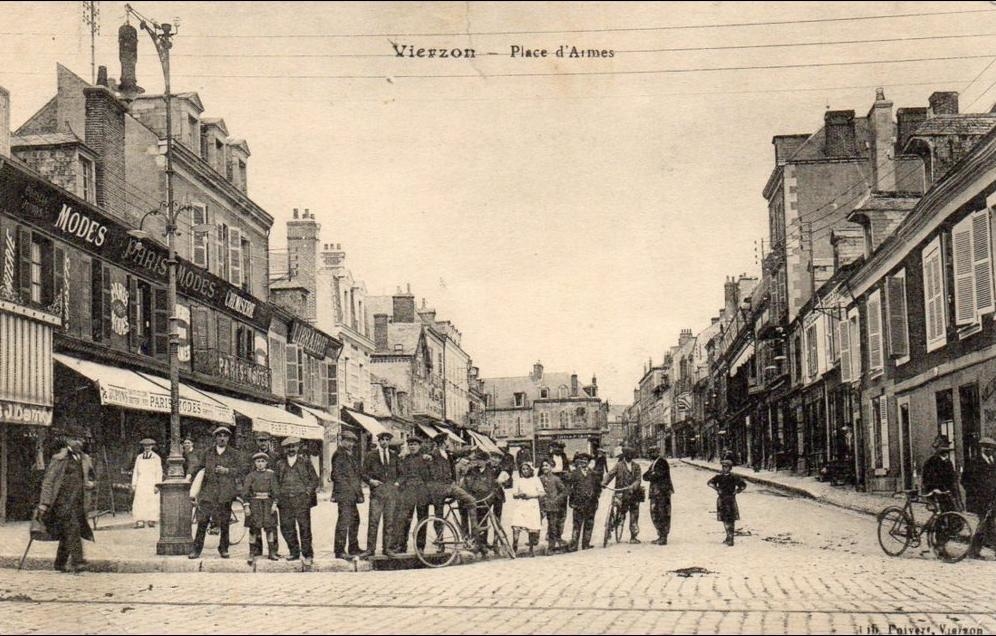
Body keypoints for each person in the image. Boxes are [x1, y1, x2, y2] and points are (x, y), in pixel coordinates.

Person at [36, 423, 96, 573]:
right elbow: (48, 482)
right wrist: (44, 503)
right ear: (67, 440)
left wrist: (91, 484)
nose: (78, 442)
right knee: (73, 528)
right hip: (61, 502)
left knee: (67, 532)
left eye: (81, 439)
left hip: (78, 502)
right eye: (75, 439)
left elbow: (93, 478)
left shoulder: (86, 459)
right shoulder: (59, 459)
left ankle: (60, 563)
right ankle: (78, 561)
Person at [187, 425, 245, 559]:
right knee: (203, 521)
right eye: (220, 436)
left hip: (225, 493)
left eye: (225, 436)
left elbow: (242, 471)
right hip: (208, 492)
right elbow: (198, 467)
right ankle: (196, 550)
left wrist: (228, 471)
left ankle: (223, 548)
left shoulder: (234, 453)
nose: (222, 438)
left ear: (229, 438)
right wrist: (189, 476)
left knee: (224, 522)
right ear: (216, 438)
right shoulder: (207, 453)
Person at [274, 437, 319, 566]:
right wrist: (278, 496)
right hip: (285, 500)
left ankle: (308, 554)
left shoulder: (305, 461)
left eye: (293, 446)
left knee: (304, 528)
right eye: (288, 447)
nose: (291, 449)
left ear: (298, 447)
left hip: (301, 500)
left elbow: (314, 479)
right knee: (287, 528)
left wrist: (307, 492)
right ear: (284, 449)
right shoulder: (280, 464)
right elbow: (275, 482)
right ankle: (294, 552)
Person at [389, 436, 432, 556]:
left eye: (415, 444)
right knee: (405, 519)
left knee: (422, 519)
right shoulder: (405, 459)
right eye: (410, 444)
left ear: (419, 446)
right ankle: (402, 545)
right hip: (408, 492)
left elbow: (430, 476)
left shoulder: (426, 458)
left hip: (422, 492)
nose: (412, 446)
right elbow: (402, 475)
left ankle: (420, 547)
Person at [362, 431, 399, 557]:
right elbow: (363, 473)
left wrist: (397, 483)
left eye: (387, 440)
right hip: (377, 493)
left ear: (389, 442)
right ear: (379, 441)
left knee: (389, 522)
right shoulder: (371, 455)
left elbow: (402, 473)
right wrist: (370, 481)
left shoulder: (394, 455)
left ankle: (387, 549)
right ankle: (370, 549)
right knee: (373, 521)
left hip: (391, 493)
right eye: (382, 440)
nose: (384, 442)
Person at [330, 430, 364, 559]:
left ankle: (353, 547)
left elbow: (356, 475)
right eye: (348, 441)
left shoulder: (349, 455)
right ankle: (339, 551)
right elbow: (337, 475)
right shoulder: (339, 454)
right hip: (344, 495)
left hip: (351, 495)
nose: (350, 444)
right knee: (344, 522)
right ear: (341, 441)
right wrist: (349, 491)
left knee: (355, 520)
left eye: (352, 442)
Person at [243, 452, 281, 564]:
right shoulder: (251, 476)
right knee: (253, 529)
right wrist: (246, 506)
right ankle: (251, 553)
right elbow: (245, 492)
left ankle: (272, 552)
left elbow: (276, 491)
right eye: (258, 461)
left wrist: (275, 504)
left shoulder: (271, 475)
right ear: (255, 463)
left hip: (268, 504)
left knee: (269, 528)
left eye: (262, 461)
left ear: (266, 463)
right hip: (254, 504)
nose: (260, 464)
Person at [601, 446, 643, 543]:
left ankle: (633, 536)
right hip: (620, 492)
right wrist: (604, 482)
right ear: (624, 455)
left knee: (634, 515)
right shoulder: (619, 465)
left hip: (633, 494)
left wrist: (633, 486)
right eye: (627, 454)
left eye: (631, 455)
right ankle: (610, 527)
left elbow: (638, 479)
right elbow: (610, 474)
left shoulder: (636, 466)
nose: (629, 456)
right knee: (616, 508)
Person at [564, 452, 601, 550]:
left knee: (589, 523)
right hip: (578, 503)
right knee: (576, 524)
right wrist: (571, 501)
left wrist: (596, 498)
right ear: (579, 462)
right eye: (582, 460)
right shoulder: (574, 474)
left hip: (591, 503)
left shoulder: (593, 474)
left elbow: (598, 488)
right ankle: (574, 545)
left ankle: (586, 544)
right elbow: (570, 488)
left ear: (589, 462)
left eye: (586, 460)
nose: (583, 462)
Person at [507, 462, 545, 556]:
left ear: (531, 470)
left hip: (532, 504)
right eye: (523, 469)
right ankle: (514, 546)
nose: (525, 471)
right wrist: (520, 494)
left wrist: (532, 495)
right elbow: (514, 494)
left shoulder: (536, 480)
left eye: (527, 469)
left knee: (532, 527)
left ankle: (531, 549)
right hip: (521, 504)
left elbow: (542, 493)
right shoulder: (518, 480)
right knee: (516, 525)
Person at [967, 437, 996, 559]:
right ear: (982, 448)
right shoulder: (974, 462)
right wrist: (977, 493)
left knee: (989, 524)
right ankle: (973, 551)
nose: (989, 449)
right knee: (985, 524)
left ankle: (974, 551)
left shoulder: (994, 461)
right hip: (981, 500)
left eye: (991, 448)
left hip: (993, 499)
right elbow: (966, 481)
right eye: (986, 447)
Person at [707, 459, 747, 546]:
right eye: (723, 467)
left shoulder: (734, 477)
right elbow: (709, 483)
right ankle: (728, 536)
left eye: (726, 467)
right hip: (722, 500)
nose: (724, 468)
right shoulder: (719, 477)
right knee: (724, 519)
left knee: (731, 519)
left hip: (730, 500)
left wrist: (737, 491)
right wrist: (717, 489)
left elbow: (743, 485)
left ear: (730, 468)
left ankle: (730, 538)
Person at [922, 435, 962, 513]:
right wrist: (934, 490)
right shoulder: (931, 462)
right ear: (937, 449)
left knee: (954, 516)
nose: (945, 450)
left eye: (946, 446)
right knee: (941, 517)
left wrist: (957, 496)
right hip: (936, 494)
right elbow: (927, 479)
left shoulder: (948, 462)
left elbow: (952, 480)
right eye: (942, 447)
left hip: (948, 494)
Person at [644, 449, 675, 545]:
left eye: (652, 453)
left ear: (657, 453)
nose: (650, 455)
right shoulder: (654, 463)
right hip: (655, 492)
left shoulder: (662, 462)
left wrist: (652, 475)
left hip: (662, 492)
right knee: (655, 513)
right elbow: (645, 476)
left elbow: (658, 475)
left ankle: (663, 537)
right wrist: (651, 474)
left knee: (663, 513)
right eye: (650, 453)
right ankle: (660, 535)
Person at [130, 438, 162, 528]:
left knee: (152, 500)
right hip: (141, 482)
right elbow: (136, 471)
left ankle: (152, 520)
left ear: (152, 446)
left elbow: (159, 472)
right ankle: (140, 520)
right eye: (145, 446)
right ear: (143, 447)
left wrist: (157, 485)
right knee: (140, 501)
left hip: (152, 481)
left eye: (149, 445)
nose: (147, 447)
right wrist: (134, 484)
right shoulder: (139, 457)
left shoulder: (156, 457)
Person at [538, 458, 568, 550]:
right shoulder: (540, 479)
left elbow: (564, 491)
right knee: (535, 523)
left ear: (551, 467)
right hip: (541, 505)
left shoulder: (556, 479)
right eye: (543, 466)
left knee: (552, 526)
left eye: (546, 465)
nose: (544, 468)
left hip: (552, 505)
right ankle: (533, 542)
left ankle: (552, 546)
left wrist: (557, 499)